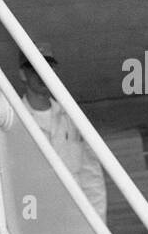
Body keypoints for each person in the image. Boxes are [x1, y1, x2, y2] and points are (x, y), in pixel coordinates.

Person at [18, 47, 107, 222]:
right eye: (34, 69)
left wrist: (98, 223)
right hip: (39, 221)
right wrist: (29, 224)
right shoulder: (14, 123)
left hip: (74, 219)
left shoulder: (73, 119)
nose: (42, 74)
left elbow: (91, 175)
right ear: (23, 74)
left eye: (47, 68)